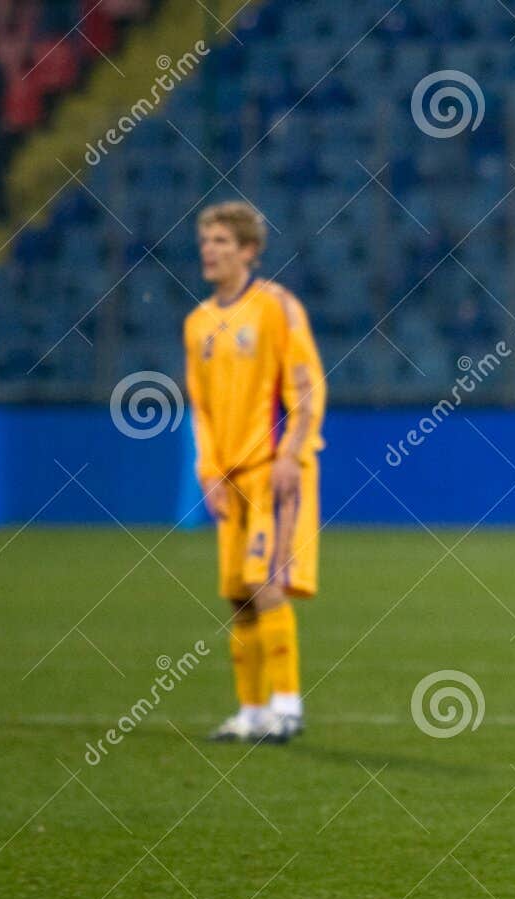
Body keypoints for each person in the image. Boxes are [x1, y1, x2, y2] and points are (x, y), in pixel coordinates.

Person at [183, 202, 326, 744]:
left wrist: (292, 453)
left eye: (221, 241)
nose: (209, 250)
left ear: (248, 251)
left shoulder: (275, 306)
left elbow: (306, 384)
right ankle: (251, 712)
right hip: (229, 477)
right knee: (238, 595)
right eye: (206, 240)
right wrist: (208, 471)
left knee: (266, 583)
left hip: (273, 469)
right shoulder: (197, 324)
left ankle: (288, 706)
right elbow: (201, 408)